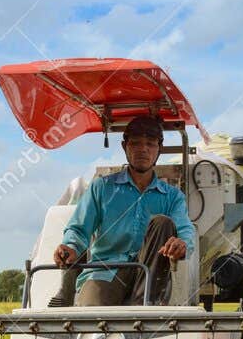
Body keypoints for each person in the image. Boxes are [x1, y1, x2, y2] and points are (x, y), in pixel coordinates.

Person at [50, 115, 196, 305]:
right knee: (90, 314)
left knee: (163, 222)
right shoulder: (101, 188)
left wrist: (181, 244)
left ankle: (143, 306)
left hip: (150, 276)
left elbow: (185, 231)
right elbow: (78, 230)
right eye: (135, 143)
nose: (143, 149)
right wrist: (70, 247)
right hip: (105, 271)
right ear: (124, 146)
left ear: (159, 148)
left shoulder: (173, 197)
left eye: (150, 143)